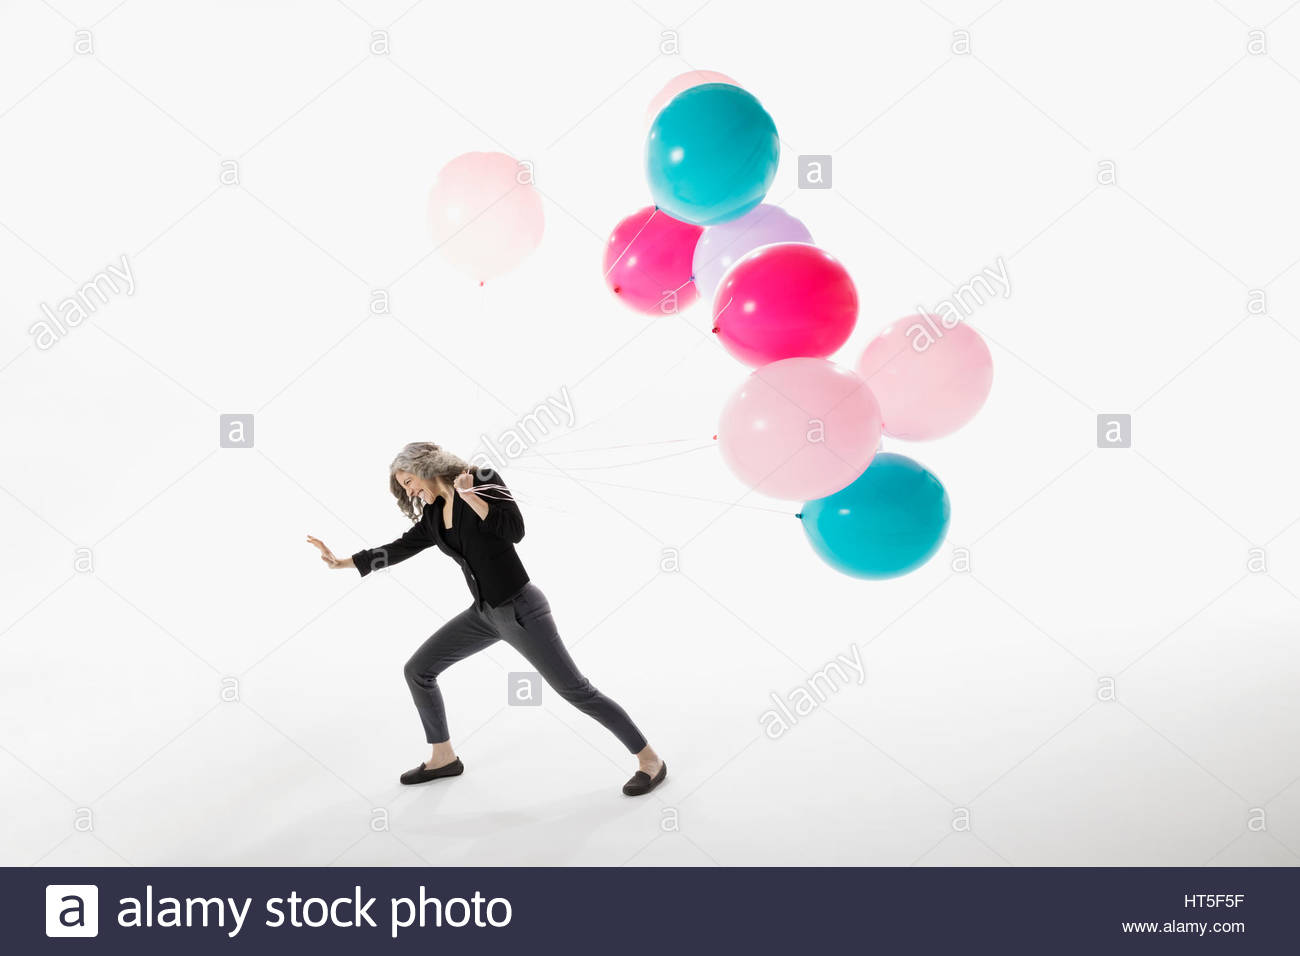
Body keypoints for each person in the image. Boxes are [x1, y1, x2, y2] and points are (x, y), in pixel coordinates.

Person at [307, 441, 667, 797]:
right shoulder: (433, 515)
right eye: (404, 487)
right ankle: (443, 757)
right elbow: (402, 546)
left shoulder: (480, 478)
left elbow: (514, 532)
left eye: (407, 482)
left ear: (424, 468)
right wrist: (343, 562)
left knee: (576, 691)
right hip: (484, 614)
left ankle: (650, 761)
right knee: (418, 670)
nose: (409, 491)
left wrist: (471, 498)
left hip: (521, 610)